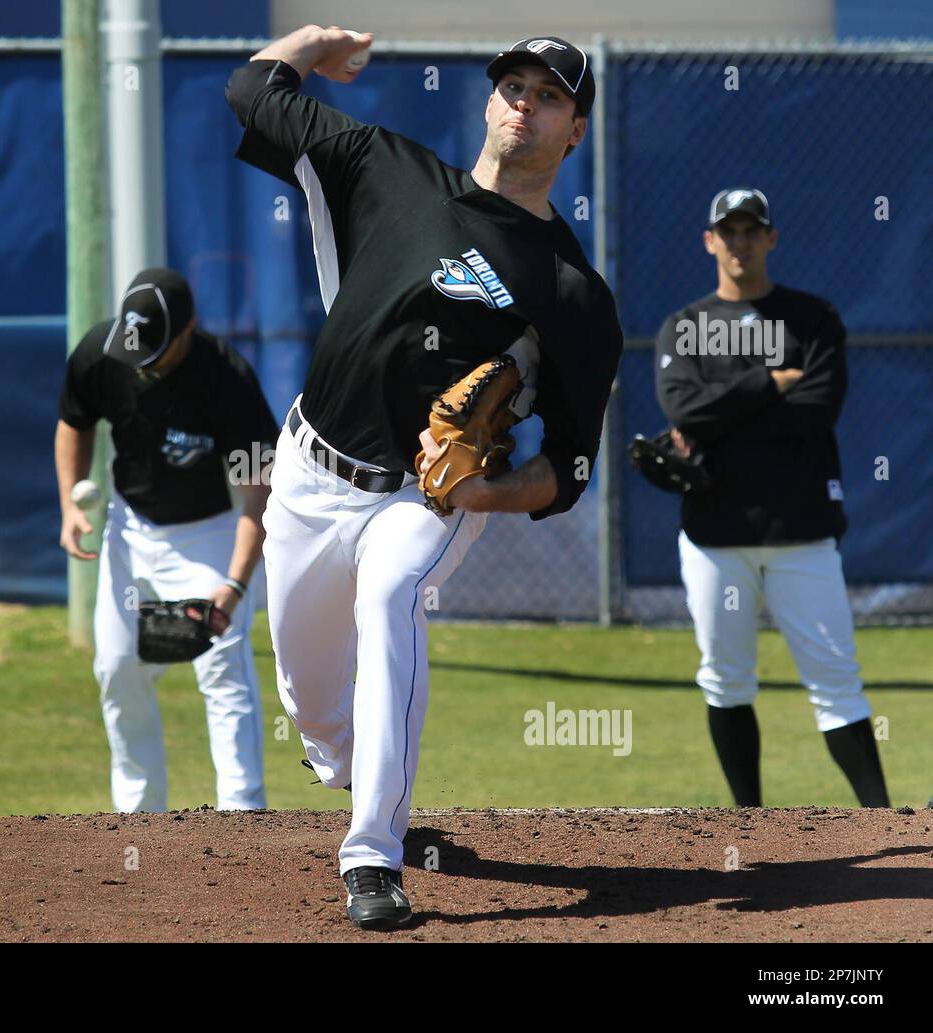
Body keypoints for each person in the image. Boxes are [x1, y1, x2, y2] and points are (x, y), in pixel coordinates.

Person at [226, 29, 622, 929]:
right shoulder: (388, 168)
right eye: (512, 85)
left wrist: (482, 492)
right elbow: (251, 92)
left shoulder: (571, 292)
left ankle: (372, 855)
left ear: (575, 131)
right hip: (309, 468)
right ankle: (356, 764)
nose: (524, 102)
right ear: (488, 103)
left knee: (393, 596)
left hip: (426, 494)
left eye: (549, 95)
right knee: (313, 707)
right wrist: (318, 42)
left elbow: (567, 468)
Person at [656, 187, 888, 808]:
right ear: (710, 241)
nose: (740, 241)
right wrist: (772, 380)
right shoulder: (687, 325)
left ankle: (886, 826)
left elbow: (818, 410)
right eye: (727, 231)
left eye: (751, 229)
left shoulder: (812, 319)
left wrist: (723, 411)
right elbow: (682, 409)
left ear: (770, 238)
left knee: (837, 683)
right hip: (715, 534)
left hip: (800, 530)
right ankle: (749, 824)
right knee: (726, 682)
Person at [55, 267, 276, 813]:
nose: (142, 362)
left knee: (222, 665)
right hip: (130, 526)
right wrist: (67, 504)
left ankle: (242, 815)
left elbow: (259, 494)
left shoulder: (227, 378)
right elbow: (73, 422)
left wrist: (233, 585)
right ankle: (139, 816)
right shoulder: (102, 353)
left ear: (188, 330)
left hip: (209, 532)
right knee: (115, 666)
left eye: (156, 349)